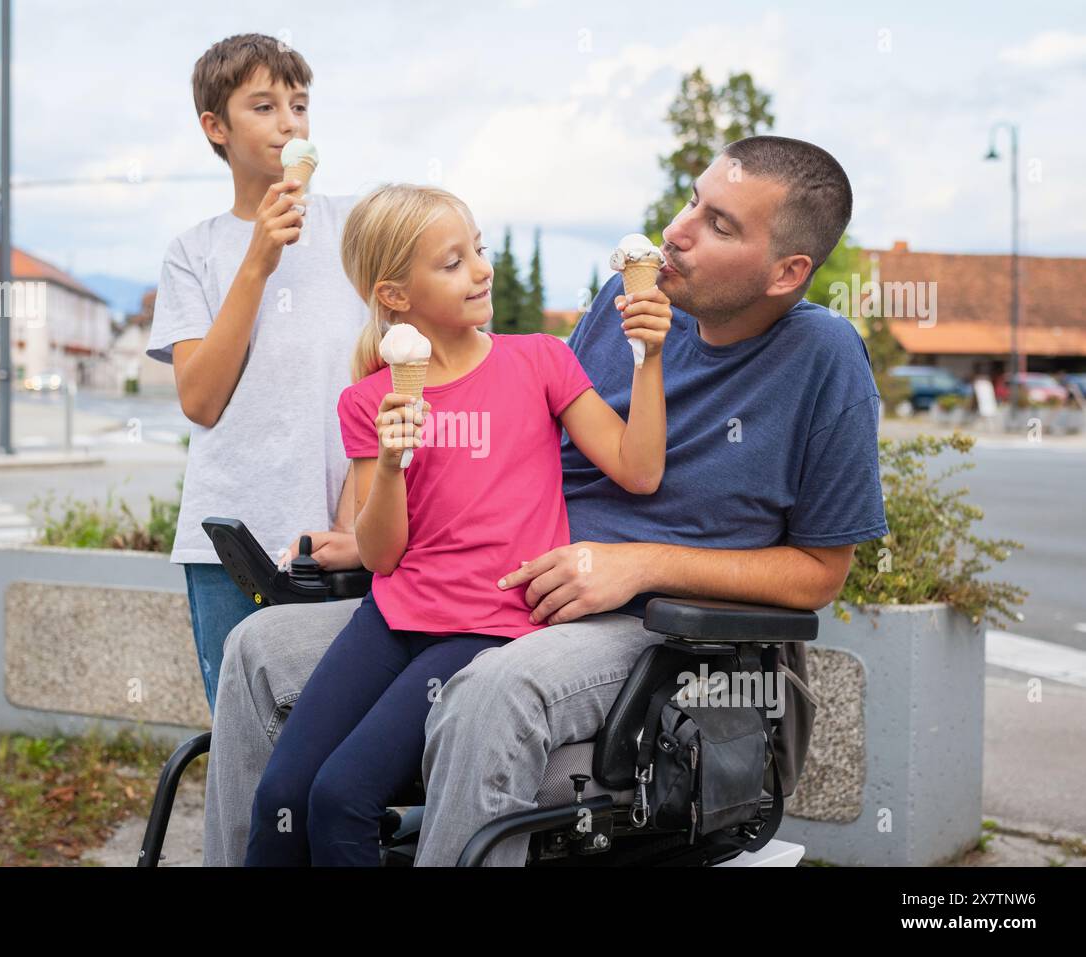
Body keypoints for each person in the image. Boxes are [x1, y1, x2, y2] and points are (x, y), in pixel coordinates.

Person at [202, 134, 890, 867]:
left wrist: (636, 564)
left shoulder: (825, 358)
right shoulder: (623, 299)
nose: (676, 232)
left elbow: (819, 572)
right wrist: (384, 526)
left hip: (645, 624)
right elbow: (513, 439)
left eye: (720, 225)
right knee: (259, 648)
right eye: (692, 201)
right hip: (492, 583)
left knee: (488, 690)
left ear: (788, 272)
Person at [242, 184, 670, 865]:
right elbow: (383, 557)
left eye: (479, 249)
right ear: (396, 295)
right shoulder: (369, 399)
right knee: (283, 794)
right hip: (392, 620)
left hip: (486, 624)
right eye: (452, 262)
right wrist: (388, 462)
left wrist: (648, 357)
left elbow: (639, 468)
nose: (480, 269)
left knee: (340, 798)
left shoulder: (540, 362)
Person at [146, 34, 366, 711]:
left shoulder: (357, 228)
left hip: (351, 537)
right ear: (216, 127)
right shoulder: (194, 252)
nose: (289, 123)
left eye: (299, 106)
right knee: (243, 742)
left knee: (335, 742)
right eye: (265, 106)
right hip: (230, 545)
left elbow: (390, 372)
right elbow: (202, 399)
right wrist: (257, 261)